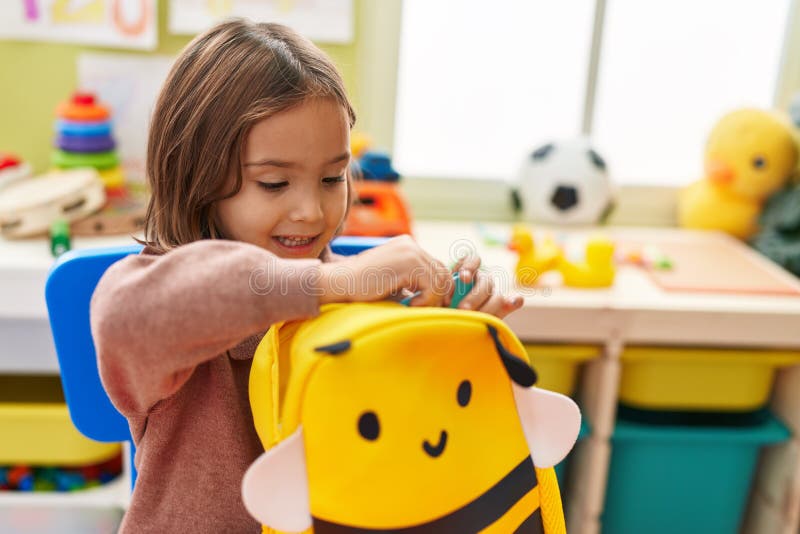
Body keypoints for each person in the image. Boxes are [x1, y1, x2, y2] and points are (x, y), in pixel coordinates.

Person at [90, 19, 523, 533]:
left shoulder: (363, 302)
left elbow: (401, 451)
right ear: (196, 176)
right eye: (274, 183)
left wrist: (443, 340)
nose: (311, 212)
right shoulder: (174, 311)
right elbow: (125, 317)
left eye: (331, 178)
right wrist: (337, 284)